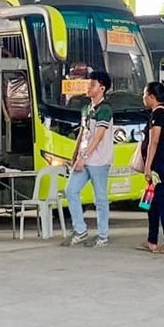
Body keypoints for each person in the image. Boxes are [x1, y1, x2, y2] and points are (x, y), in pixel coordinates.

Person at [63, 71, 115, 248]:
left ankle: (103, 235)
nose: (88, 87)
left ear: (102, 88)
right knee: (70, 191)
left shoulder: (105, 109)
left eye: (92, 85)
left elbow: (98, 136)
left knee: (100, 198)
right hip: (84, 159)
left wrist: (84, 157)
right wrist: (75, 154)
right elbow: (83, 132)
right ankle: (80, 230)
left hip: (99, 161)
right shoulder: (86, 108)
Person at [137, 82, 164, 255]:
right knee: (152, 203)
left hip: (158, 166)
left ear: (152, 97)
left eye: (144, 94)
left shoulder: (158, 113)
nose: (143, 98)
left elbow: (153, 142)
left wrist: (148, 166)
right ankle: (151, 240)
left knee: (162, 204)